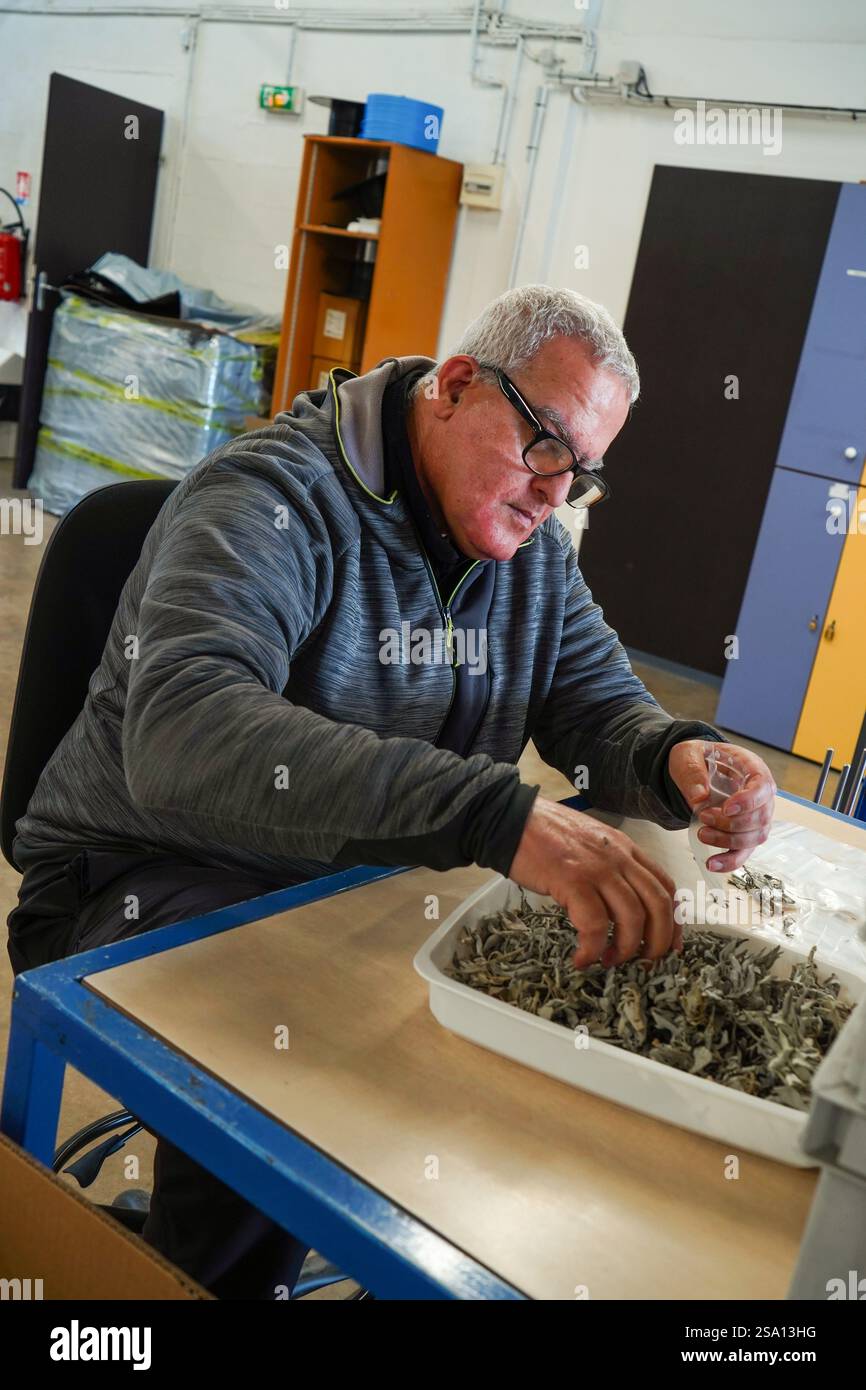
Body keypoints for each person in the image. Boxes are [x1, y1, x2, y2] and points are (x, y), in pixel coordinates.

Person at [6, 284, 775, 1296]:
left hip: (346, 877)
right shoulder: (270, 496)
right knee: (301, 1083)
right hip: (149, 870)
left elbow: (595, 706)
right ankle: (191, 1278)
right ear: (456, 386)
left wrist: (678, 757)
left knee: (534, 1034)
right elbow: (184, 731)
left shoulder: (529, 550)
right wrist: (489, 813)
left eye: (582, 473)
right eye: (544, 445)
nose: (555, 493)